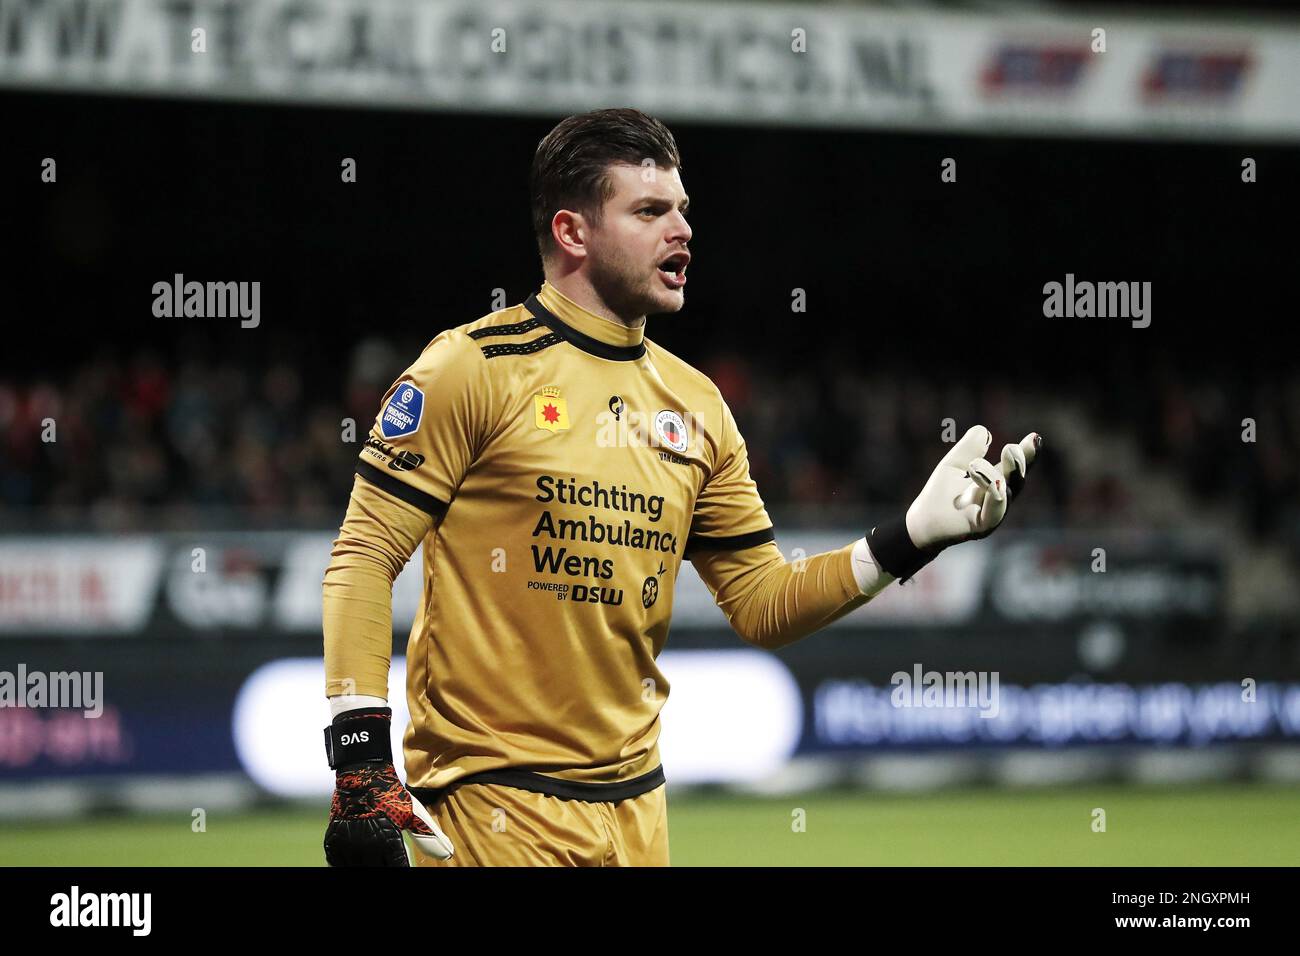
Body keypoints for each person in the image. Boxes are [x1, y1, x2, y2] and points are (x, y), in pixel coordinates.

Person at [320, 107, 1040, 867]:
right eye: (650, 211)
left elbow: (763, 603)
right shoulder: (471, 369)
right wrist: (361, 766)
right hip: (495, 806)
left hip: (641, 817)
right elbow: (365, 554)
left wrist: (911, 538)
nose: (683, 231)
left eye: (683, 211)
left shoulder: (696, 407)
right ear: (573, 232)